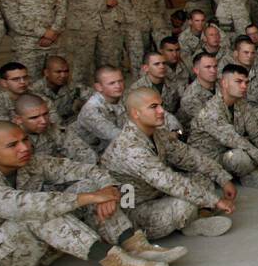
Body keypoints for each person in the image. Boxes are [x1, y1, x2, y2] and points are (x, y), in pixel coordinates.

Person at [0, 122, 184, 266]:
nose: (24, 148)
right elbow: (20, 206)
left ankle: (134, 245)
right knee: (37, 211)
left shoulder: (29, 162)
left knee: (86, 186)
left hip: (22, 252)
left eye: (24, 140)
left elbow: (87, 170)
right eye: (12, 145)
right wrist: (89, 198)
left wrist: (107, 190)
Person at [101, 88, 235, 239]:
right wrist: (215, 201)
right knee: (185, 206)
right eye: (153, 107)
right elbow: (169, 182)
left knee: (202, 179)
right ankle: (192, 221)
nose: (161, 111)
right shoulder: (130, 147)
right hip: (133, 210)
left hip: (156, 193)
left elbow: (190, 157)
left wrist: (222, 178)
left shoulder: (157, 134)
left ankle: (195, 218)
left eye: (161, 105)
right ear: (135, 113)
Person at [189, 63, 258, 189]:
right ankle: (249, 173)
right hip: (211, 157)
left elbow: (257, 132)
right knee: (239, 158)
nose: (244, 86)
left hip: (229, 148)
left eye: (246, 82)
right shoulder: (212, 111)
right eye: (238, 82)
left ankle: (251, 171)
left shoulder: (241, 104)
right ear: (224, 83)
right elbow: (238, 142)